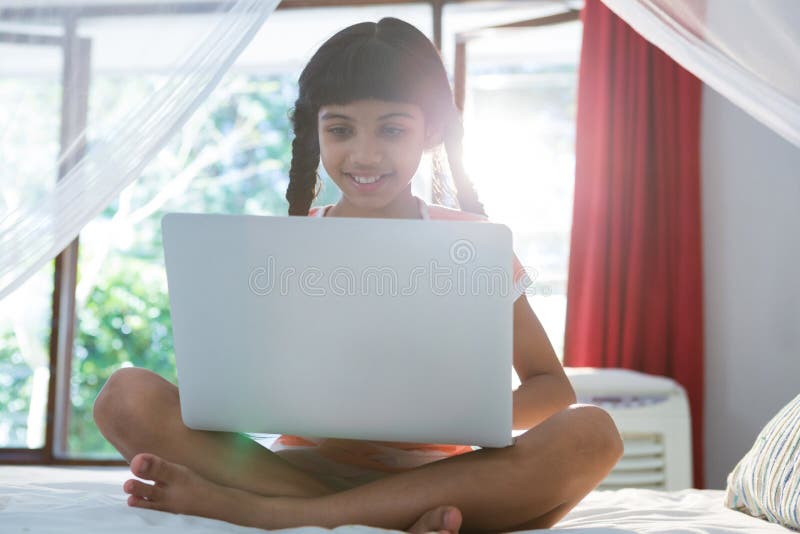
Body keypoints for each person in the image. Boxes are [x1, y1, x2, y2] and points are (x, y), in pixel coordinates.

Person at [93, 17, 622, 533]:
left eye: (392, 129)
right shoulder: (280, 247)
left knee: (592, 433)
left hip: (443, 477)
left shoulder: (475, 246)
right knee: (124, 395)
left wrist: (459, 414)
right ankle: (358, 513)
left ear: (430, 130)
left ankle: (274, 514)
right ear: (316, 131)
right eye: (341, 129)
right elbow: (233, 388)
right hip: (293, 470)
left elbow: (552, 388)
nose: (365, 154)